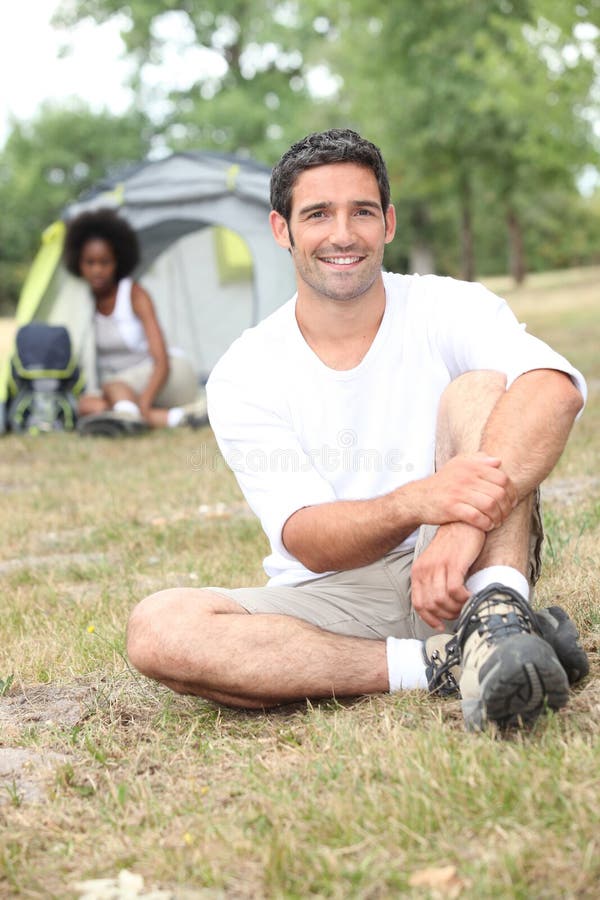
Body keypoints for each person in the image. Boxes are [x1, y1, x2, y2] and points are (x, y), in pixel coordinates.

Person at [126, 129, 589, 731]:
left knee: (478, 390)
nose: (342, 234)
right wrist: (419, 499)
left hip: (466, 561)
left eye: (362, 212)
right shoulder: (245, 370)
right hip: (335, 597)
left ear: (388, 223)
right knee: (159, 627)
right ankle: (446, 663)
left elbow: (553, 387)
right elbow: (307, 538)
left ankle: (496, 613)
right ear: (281, 230)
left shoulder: (447, 306)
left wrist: (452, 528)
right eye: (317, 214)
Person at [63, 208, 204, 432]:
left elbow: (162, 361)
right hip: (126, 388)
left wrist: (145, 402)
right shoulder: (83, 303)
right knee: (87, 405)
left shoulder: (135, 295)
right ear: (78, 264)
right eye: (90, 263)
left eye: (104, 262)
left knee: (114, 386)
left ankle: (128, 417)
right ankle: (178, 418)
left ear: (117, 262)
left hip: (170, 377)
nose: (97, 270)